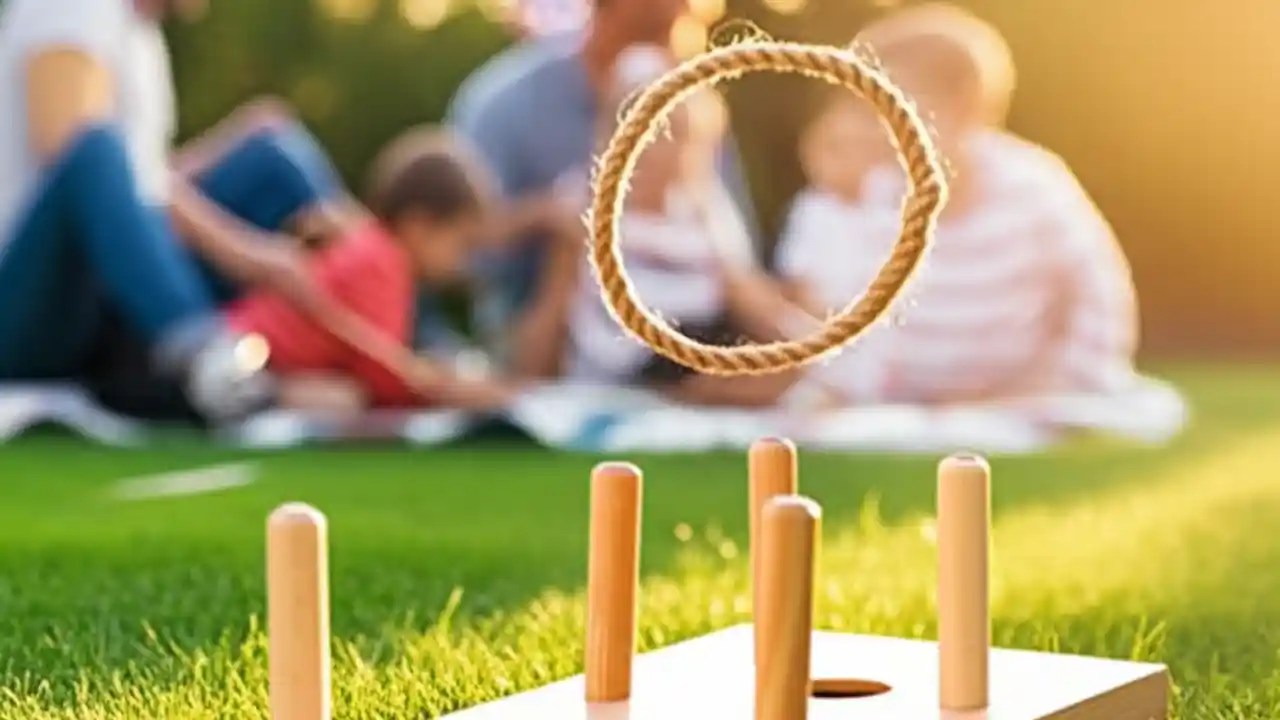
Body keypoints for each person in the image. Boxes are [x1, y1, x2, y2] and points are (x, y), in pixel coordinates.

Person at [0, 0, 353, 422]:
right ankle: (219, 365)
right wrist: (245, 253)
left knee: (270, 154)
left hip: (98, 303)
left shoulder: (142, 36)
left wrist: (228, 144)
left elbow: (139, 188)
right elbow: (73, 151)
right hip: (21, 313)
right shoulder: (74, 6)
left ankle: (375, 338)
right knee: (96, 148)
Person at [776, 3, 1141, 405]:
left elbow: (1098, 297)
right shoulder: (871, 193)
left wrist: (1063, 381)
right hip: (900, 403)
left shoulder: (1034, 187)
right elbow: (836, 310)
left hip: (1013, 399)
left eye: (894, 97)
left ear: (963, 106)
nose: (877, 119)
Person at [96, 127, 520, 419]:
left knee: (341, 396)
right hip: (219, 368)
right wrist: (458, 391)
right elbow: (386, 378)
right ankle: (259, 397)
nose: (463, 262)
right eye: (462, 244)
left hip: (225, 351)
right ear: (419, 224)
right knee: (342, 400)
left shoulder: (368, 247)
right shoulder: (384, 265)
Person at [449, 0, 758, 371]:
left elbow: (738, 259)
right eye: (670, 17)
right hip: (542, 334)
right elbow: (460, 248)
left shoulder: (691, 112)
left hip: (686, 333)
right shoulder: (506, 104)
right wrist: (544, 220)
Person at [540, 45, 812, 407]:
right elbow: (552, 317)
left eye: (673, 134)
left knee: (765, 358)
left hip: (701, 339)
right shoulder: (586, 217)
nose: (655, 149)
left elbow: (748, 297)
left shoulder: (704, 217)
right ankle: (685, 393)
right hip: (625, 363)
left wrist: (802, 345)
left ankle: (707, 390)